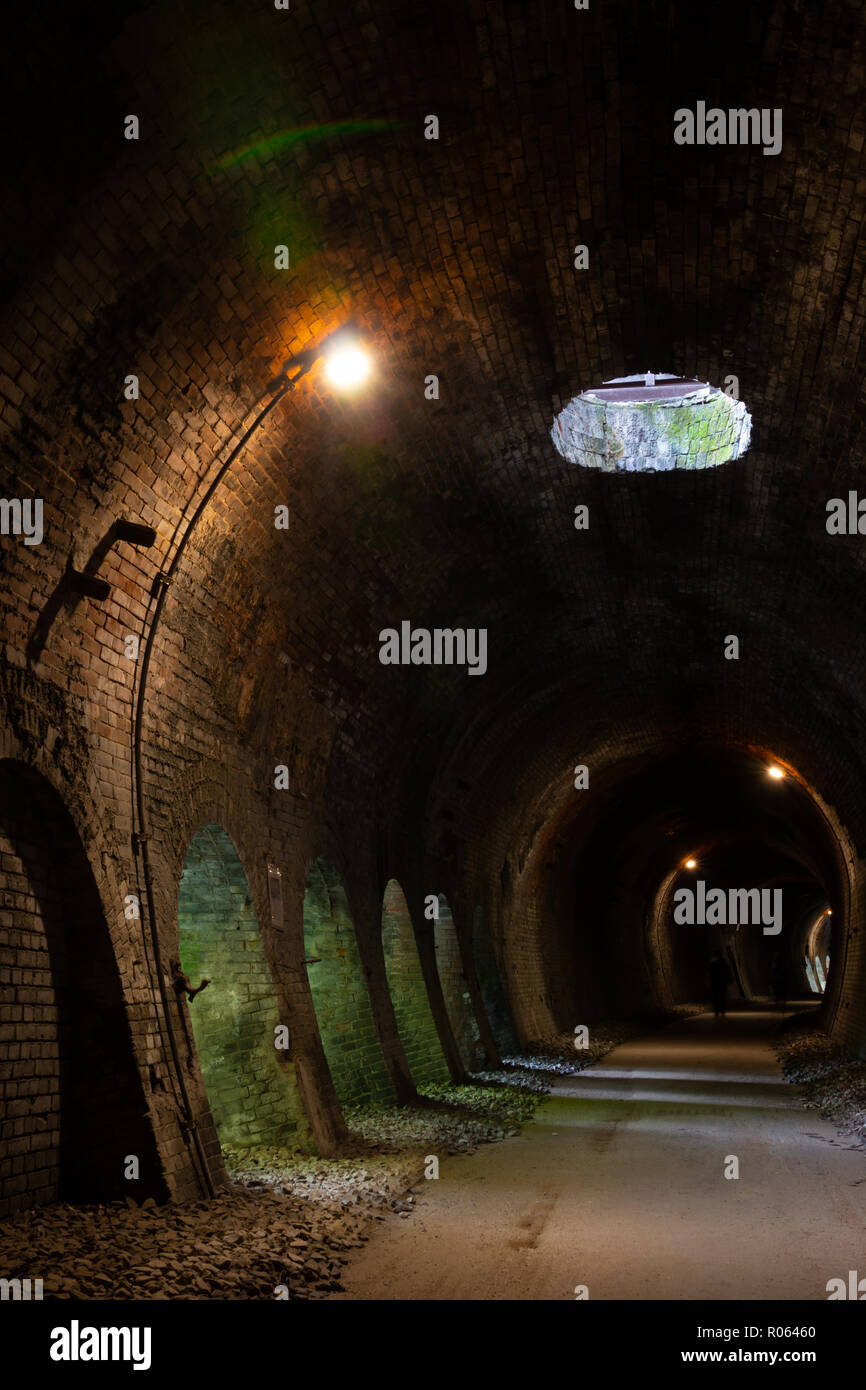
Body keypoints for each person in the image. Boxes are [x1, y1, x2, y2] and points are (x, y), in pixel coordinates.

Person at [708, 950, 731, 1018]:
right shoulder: (723, 961)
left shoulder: (712, 961)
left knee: (716, 997)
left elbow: (710, 972)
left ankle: (716, 1011)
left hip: (715, 982)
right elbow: (727, 971)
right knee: (722, 997)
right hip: (722, 982)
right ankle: (722, 1011)